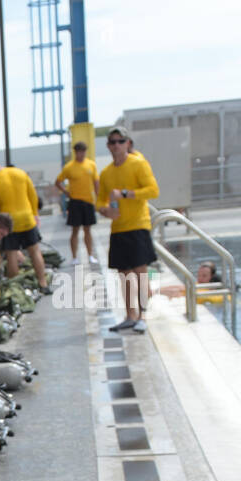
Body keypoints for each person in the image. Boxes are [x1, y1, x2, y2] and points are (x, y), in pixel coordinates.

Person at [97, 127, 160, 333]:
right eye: (113, 142)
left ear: (128, 143)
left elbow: (153, 190)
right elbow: (100, 201)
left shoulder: (138, 164)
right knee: (123, 274)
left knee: (140, 273)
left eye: (120, 141)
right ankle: (129, 315)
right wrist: (106, 211)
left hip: (138, 225)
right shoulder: (106, 173)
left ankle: (143, 316)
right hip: (118, 228)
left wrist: (125, 193)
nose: (116, 145)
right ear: (108, 146)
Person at [0, 159, 49, 292]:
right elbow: (33, 196)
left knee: (12, 254)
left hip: (9, 224)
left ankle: (16, 288)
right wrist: (34, 213)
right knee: (35, 251)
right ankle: (43, 283)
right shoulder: (20, 173)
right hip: (27, 218)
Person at [56, 141, 99, 264]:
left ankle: (90, 255)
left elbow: (96, 182)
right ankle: (74, 257)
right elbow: (58, 181)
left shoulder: (91, 165)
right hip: (75, 202)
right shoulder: (69, 167)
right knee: (75, 230)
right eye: (78, 151)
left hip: (88, 201)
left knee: (88, 230)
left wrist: (99, 198)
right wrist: (66, 192)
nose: (81, 154)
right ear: (75, 152)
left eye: (83, 151)